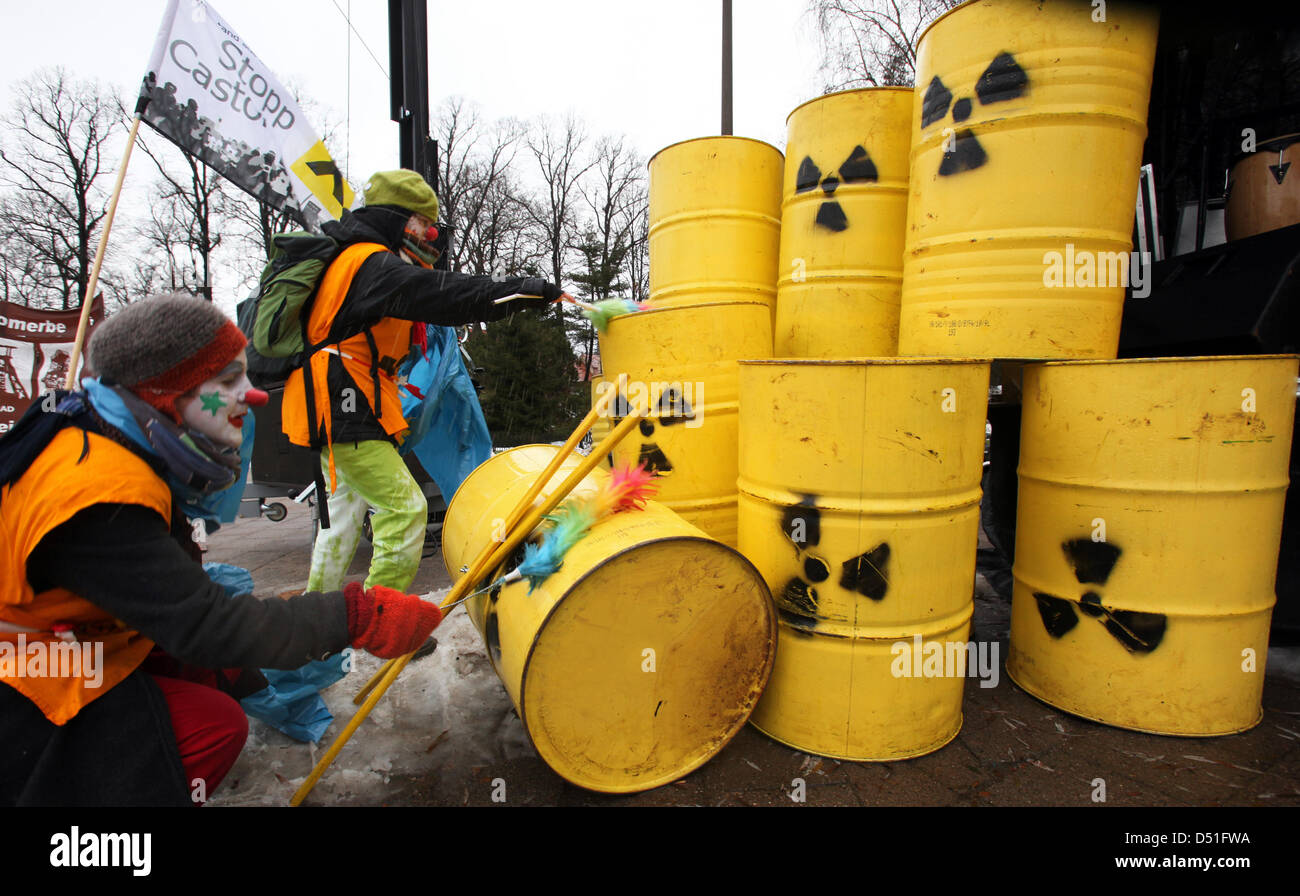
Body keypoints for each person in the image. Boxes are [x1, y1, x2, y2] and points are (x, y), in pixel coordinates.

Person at [0, 293, 445, 806]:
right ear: (165, 391)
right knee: (211, 727)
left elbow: (183, 612)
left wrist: (238, 664)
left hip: (78, 642)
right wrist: (356, 615)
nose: (253, 396)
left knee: (223, 659)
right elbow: (205, 626)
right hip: (31, 681)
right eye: (228, 380)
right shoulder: (98, 494)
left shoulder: (107, 437)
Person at [282, 169, 562, 594]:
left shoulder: (358, 260)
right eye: (423, 226)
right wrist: (513, 292)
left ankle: (316, 623)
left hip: (335, 401)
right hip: (346, 402)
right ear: (399, 220)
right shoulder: (370, 264)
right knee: (406, 509)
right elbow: (442, 293)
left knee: (340, 520)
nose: (429, 237)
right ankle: (381, 622)